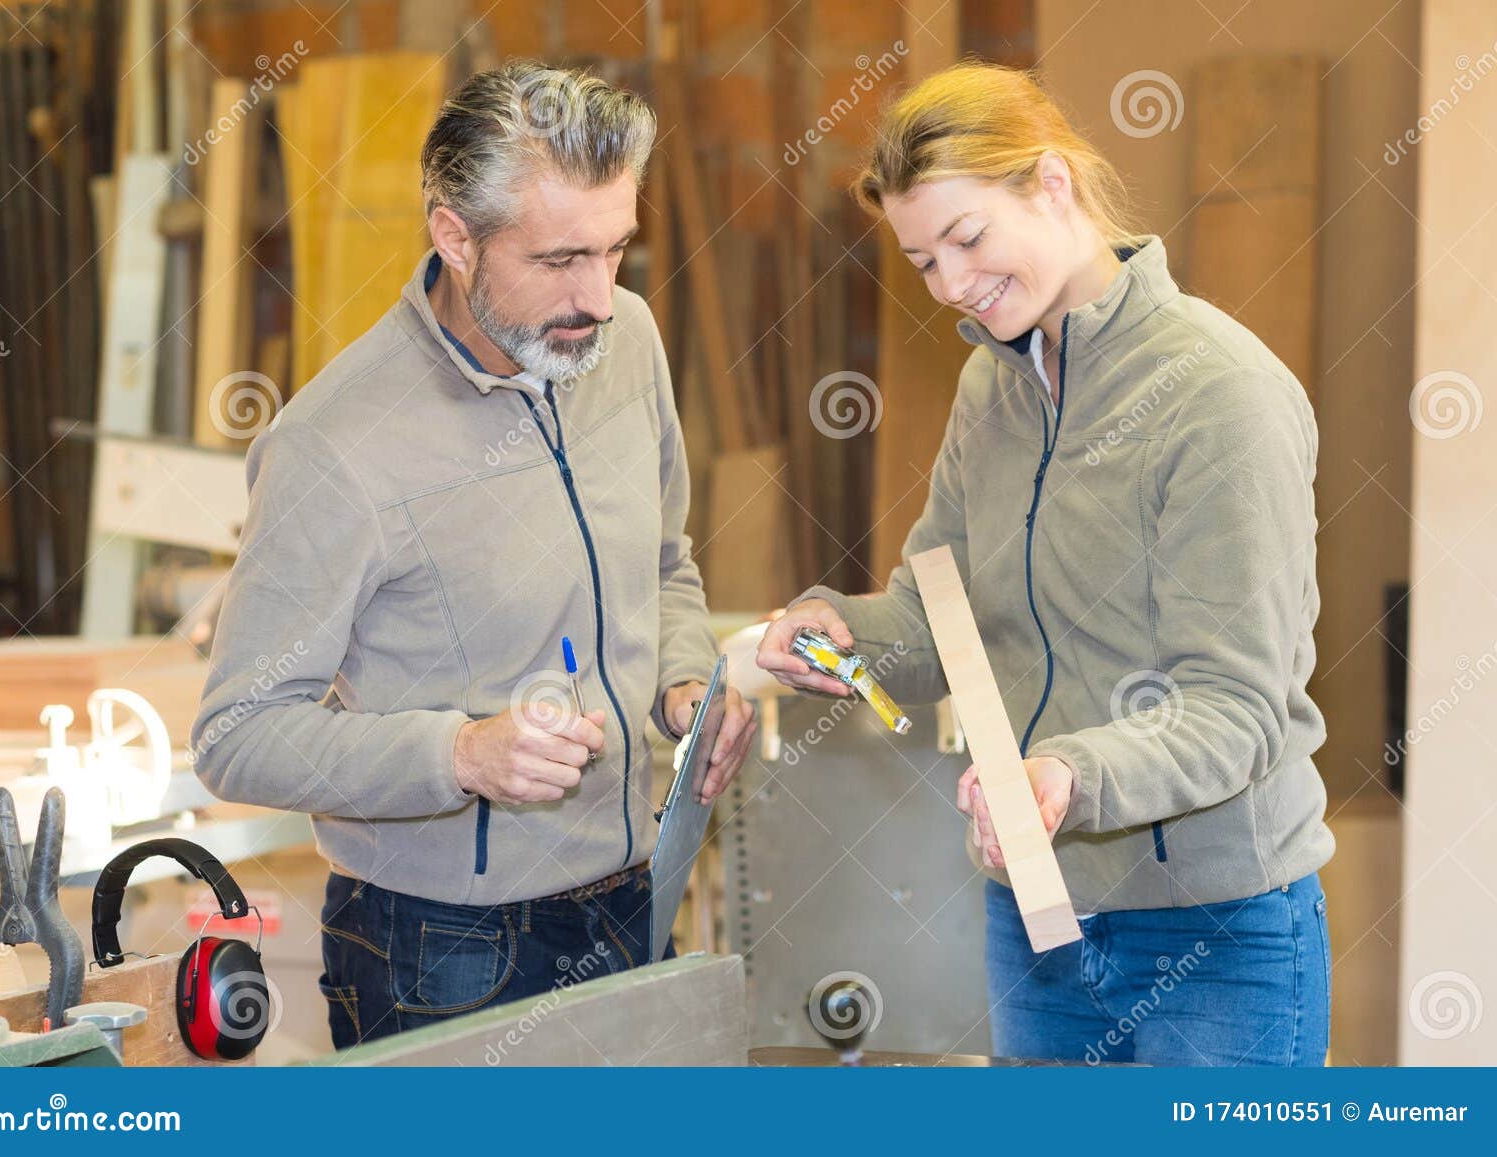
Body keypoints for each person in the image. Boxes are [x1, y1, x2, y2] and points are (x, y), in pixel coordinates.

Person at [757, 61, 1333, 1067]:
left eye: (967, 237)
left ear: (1052, 182)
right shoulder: (995, 386)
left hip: (1217, 933)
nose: (950, 284)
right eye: (922, 258)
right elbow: (940, 615)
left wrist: (1071, 771)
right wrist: (838, 628)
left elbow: (1237, 709)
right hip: (1036, 916)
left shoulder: (1220, 395)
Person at [191, 62, 755, 1050]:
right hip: (439, 948)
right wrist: (457, 754)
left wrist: (682, 680)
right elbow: (238, 733)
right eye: (559, 258)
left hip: (632, 895)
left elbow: (664, 560)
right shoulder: (334, 446)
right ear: (453, 235)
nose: (597, 294)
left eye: (617, 248)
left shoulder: (629, 343)